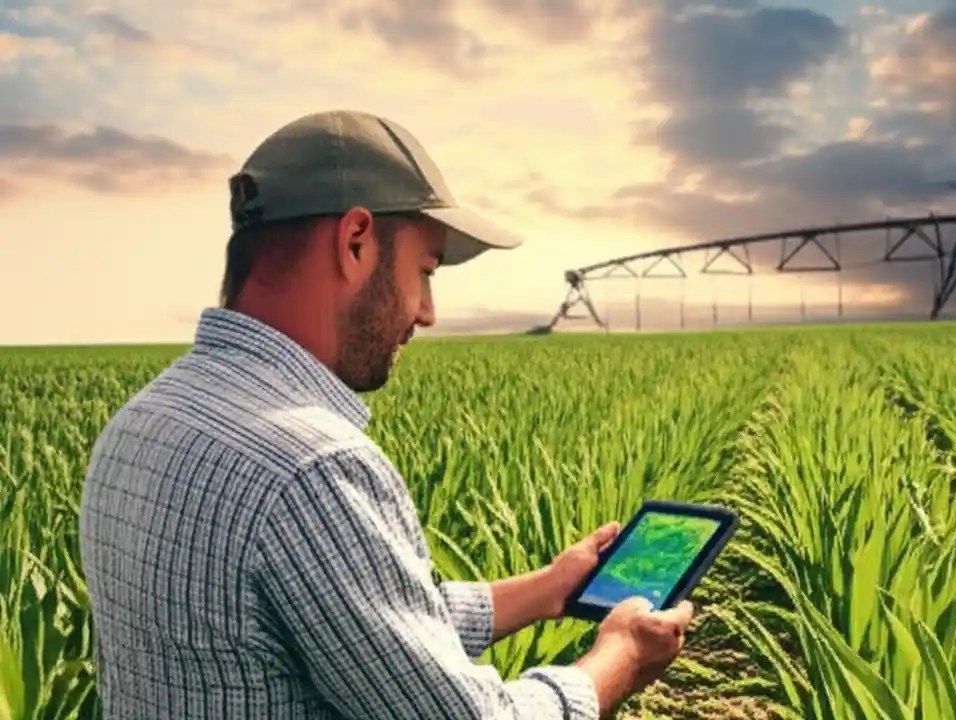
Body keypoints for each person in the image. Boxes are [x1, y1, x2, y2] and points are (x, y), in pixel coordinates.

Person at [77, 110, 694, 719]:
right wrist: (621, 655)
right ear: (354, 243)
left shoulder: (141, 421)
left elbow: (357, 622)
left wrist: (546, 590)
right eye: (424, 272)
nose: (426, 312)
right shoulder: (312, 468)